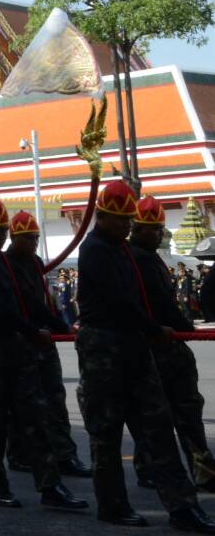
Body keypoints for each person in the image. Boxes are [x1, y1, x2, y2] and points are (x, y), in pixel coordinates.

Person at [76, 180, 215, 531]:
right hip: (105, 350)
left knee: (157, 430)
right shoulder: (95, 249)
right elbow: (120, 302)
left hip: (134, 347)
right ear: (103, 216)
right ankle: (112, 505)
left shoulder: (120, 248)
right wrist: (156, 328)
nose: (127, 226)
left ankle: (183, 507)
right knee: (106, 434)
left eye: (130, 221)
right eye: (122, 220)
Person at [0, 194, 88, 511]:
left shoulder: (0, 260)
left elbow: (27, 299)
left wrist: (59, 325)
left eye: (4, 231)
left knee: (36, 418)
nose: (3, 237)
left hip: (15, 347)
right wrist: (34, 332)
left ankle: (51, 486)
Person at [129, 196, 215, 492]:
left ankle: (195, 468)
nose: (158, 235)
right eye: (152, 230)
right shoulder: (134, 259)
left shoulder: (148, 258)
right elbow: (150, 305)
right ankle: (167, 469)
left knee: (177, 411)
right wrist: (180, 326)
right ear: (136, 229)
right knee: (162, 413)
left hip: (167, 343)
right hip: (155, 345)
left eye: (160, 230)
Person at [2, 209, 91, 479]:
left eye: (36, 238)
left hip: (42, 339)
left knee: (54, 398)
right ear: (13, 237)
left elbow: (43, 300)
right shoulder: (5, 264)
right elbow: (27, 302)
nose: (32, 243)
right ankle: (19, 453)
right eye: (27, 238)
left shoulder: (36, 262)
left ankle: (64, 455)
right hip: (21, 339)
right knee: (21, 404)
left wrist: (59, 325)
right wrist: (59, 326)